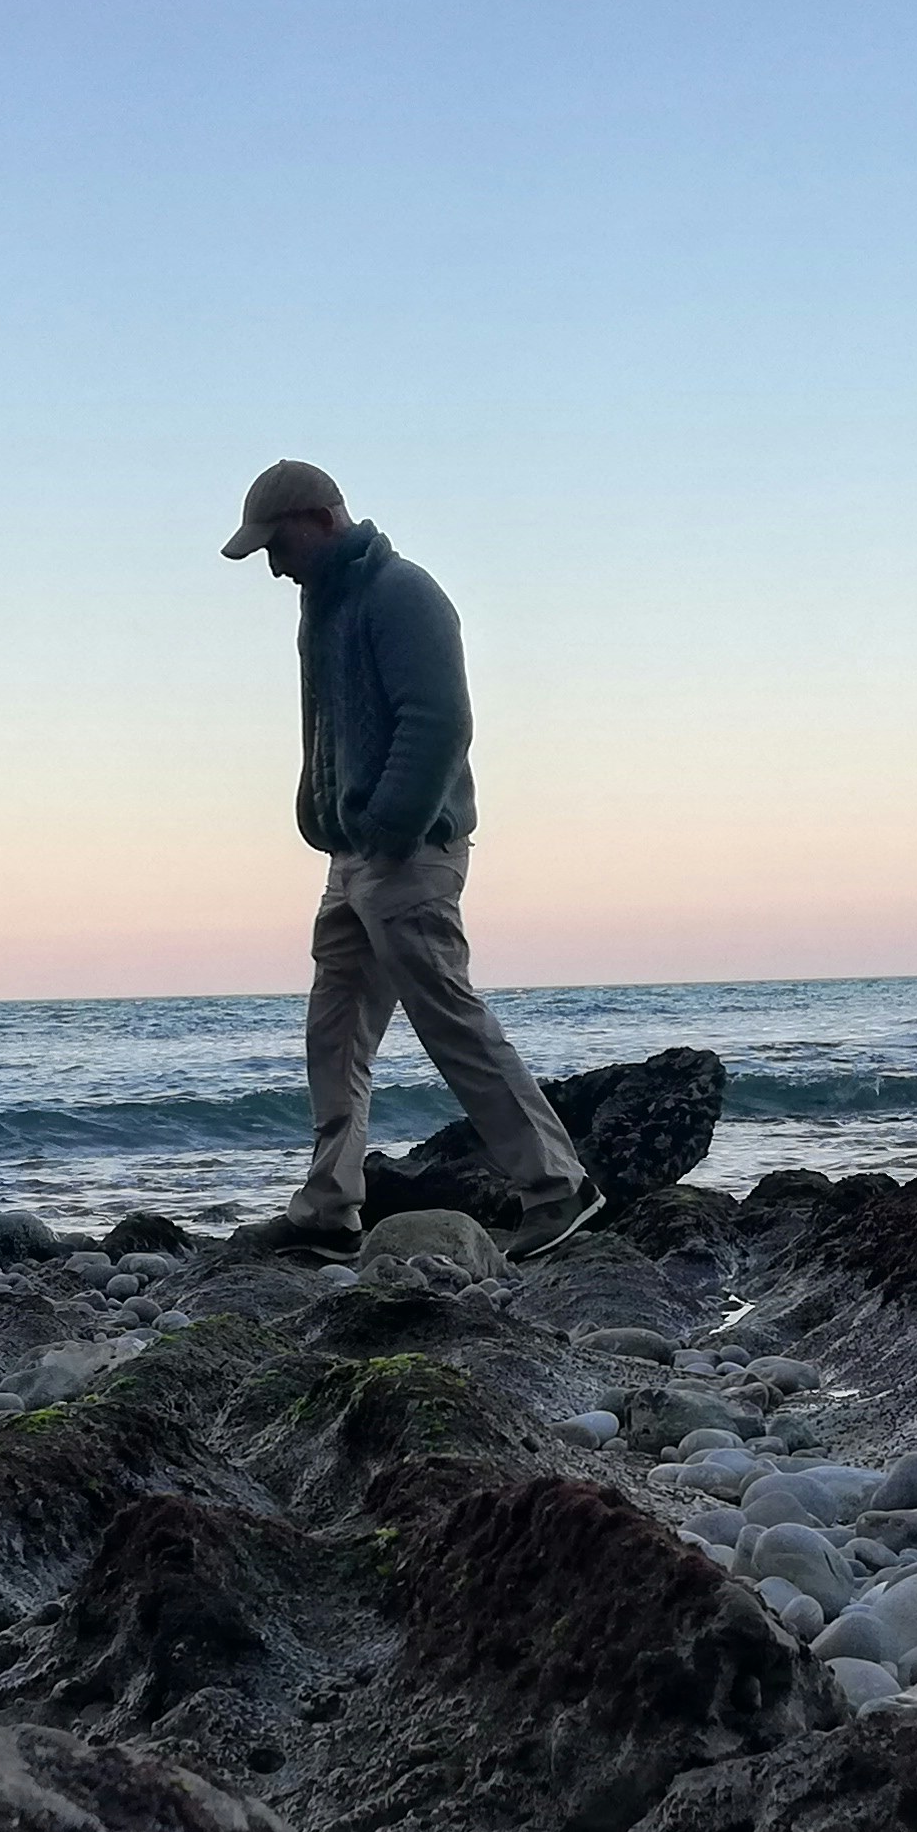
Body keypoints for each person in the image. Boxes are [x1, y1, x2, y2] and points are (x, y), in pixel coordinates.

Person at [219, 460, 601, 1262]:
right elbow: (329, 724)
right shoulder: (320, 607)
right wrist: (320, 815)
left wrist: (389, 825)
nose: (273, 565)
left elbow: (437, 722)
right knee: (335, 1032)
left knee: (448, 1017)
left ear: (321, 521)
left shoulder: (403, 594)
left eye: (276, 545)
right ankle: (328, 1209)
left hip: (411, 849)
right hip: (352, 855)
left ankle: (560, 1188)